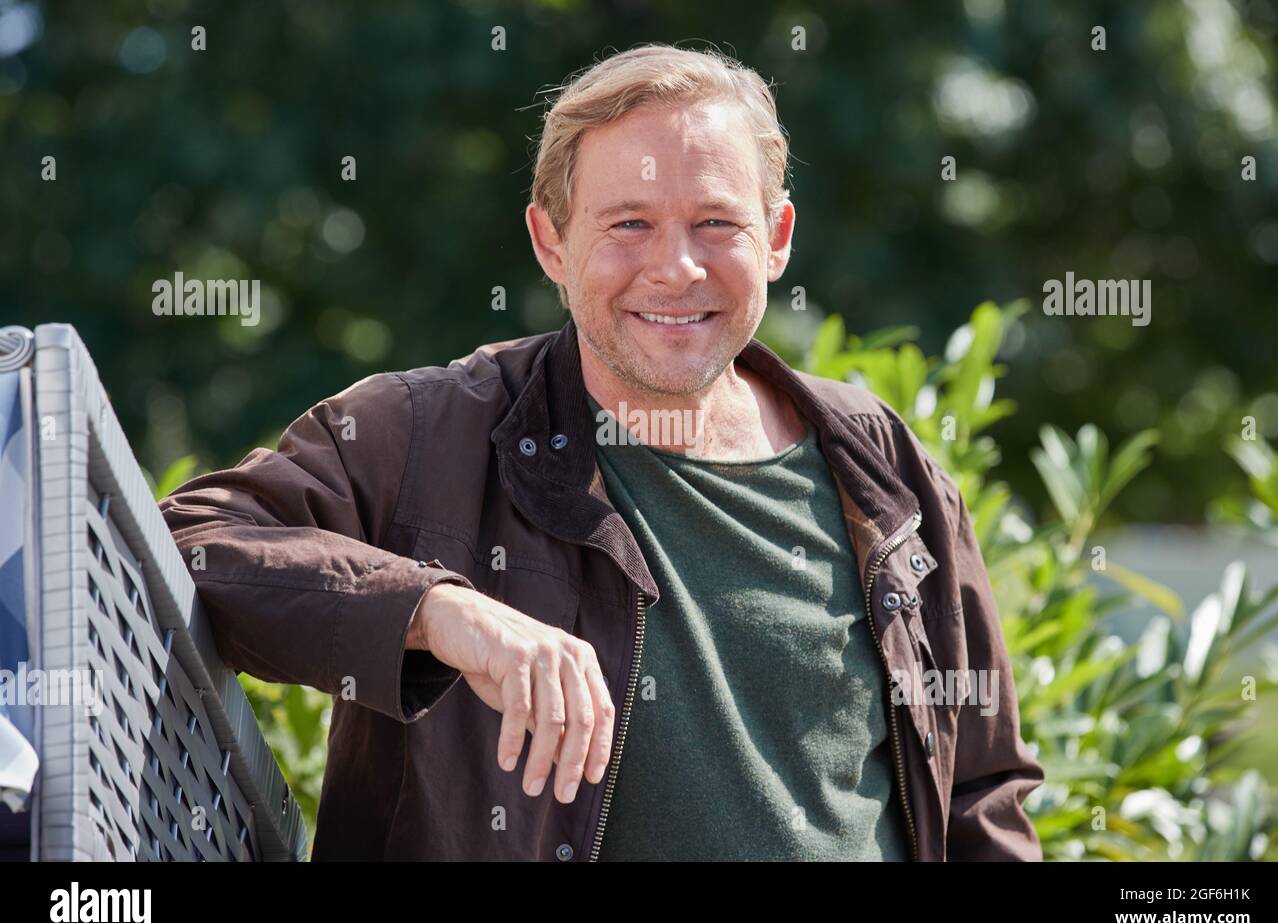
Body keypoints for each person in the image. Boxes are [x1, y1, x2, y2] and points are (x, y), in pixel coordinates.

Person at [160, 43, 1043, 861]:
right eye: (628, 224)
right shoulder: (424, 431)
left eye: (715, 223)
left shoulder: (883, 467)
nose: (676, 269)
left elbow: (981, 795)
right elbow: (189, 545)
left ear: (776, 240)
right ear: (552, 241)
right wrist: (438, 613)